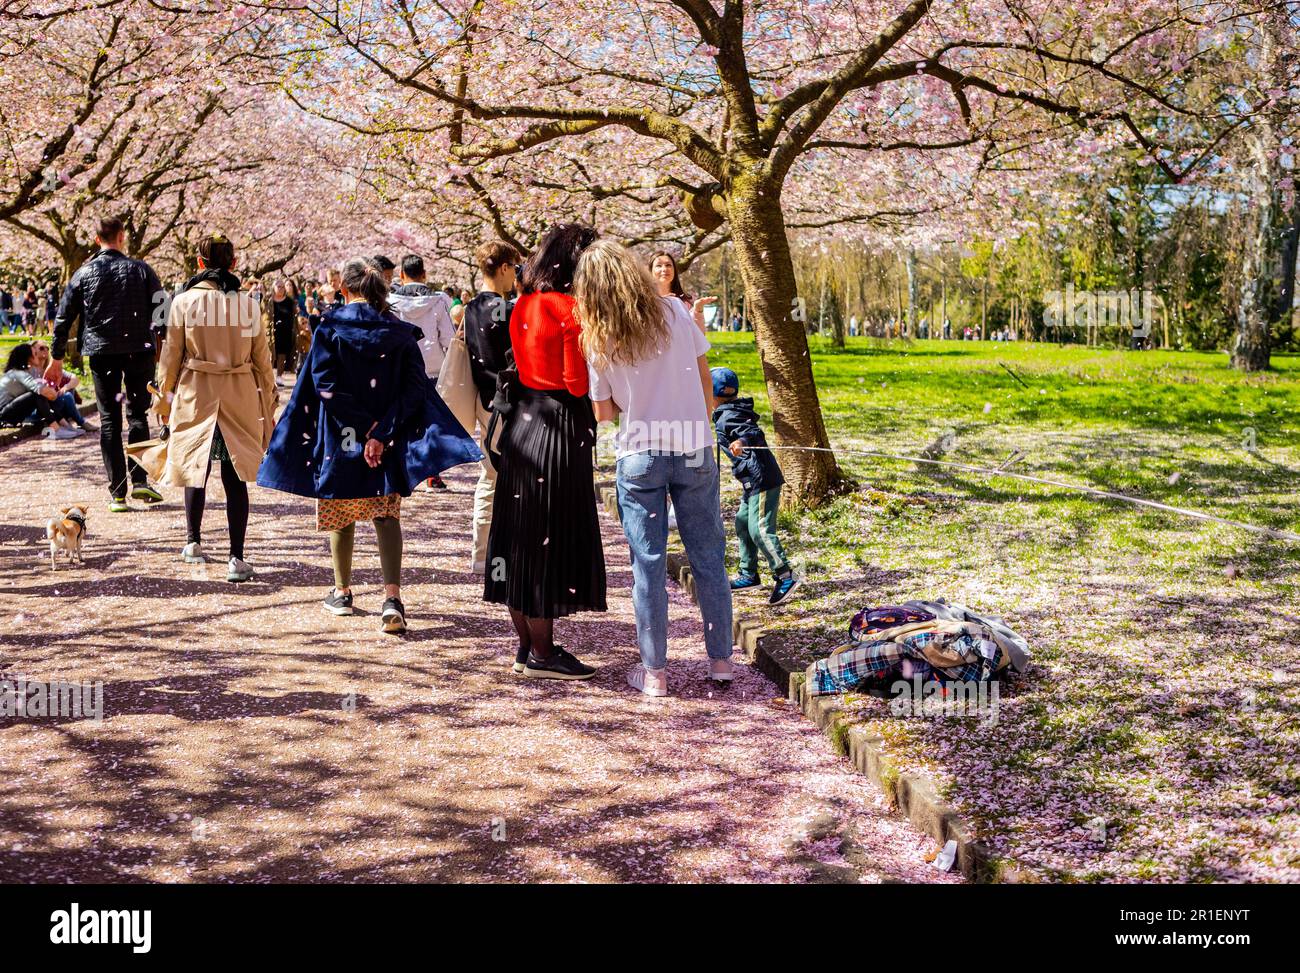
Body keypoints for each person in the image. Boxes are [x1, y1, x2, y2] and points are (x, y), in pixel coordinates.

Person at [258, 257, 480, 633]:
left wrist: (360, 427)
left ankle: (342, 591)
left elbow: (324, 385)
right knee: (386, 511)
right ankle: (392, 597)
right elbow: (414, 389)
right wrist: (381, 432)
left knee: (340, 509)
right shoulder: (398, 332)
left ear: (343, 289)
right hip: (388, 436)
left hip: (339, 436)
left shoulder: (330, 329)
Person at [580, 241, 734, 697]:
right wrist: (696, 418)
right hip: (693, 446)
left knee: (647, 564)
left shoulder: (599, 334)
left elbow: (603, 413)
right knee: (708, 555)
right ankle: (721, 659)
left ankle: (655, 672)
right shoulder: (676, 311)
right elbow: (707, 378)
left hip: (641, 451)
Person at [483, 222, 605, 680]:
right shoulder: (570, 309)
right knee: (549, 535)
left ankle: (526, 646)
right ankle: (544, 653)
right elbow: (576, 382)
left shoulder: (522, 306)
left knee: (519, 534)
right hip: (559, 427)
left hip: (522, 426)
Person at [128, 233, 275, 582]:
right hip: (238, 394)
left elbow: (171, 355)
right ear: (234, 263)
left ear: (200, 263)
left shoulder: (183, 302)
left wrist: (163, 396)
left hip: (198, 393)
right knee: (235, 475)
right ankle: (236, 557)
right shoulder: (248, 305)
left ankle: (193, 541)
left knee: (196, 467)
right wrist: (268, 399)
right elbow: (262, 361)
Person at [45, 215, 166, 512]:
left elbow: (63, 319)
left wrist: (56, 358)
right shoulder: (142, 270)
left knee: (109, 420)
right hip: (139, 350)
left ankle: (118, 492)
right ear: (122, 237)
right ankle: (139, 480)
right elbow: (163, 313)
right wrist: (166, 352)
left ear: (97, 239)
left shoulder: (83, 274)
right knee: (138, 415)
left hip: (102, 352)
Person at [709, 367, 799, 606]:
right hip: (752, 479)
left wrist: (742, 441)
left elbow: (754, 433)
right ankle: (749, 574)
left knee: (759, 529)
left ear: (712, 394)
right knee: (742, 523)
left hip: (762, 480)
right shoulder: (729, 411)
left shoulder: (730, 416)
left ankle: (785, 576)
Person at [461, 240, 518, 573]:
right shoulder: (505, 310)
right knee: (504, 477)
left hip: (483, 398)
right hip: (506, 401)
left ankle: (482, 553)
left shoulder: (469, 309)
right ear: (504, 268)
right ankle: (503, 553)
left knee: (489, 477)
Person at [388, 254, 457, 490]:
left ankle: (402, 469)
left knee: (403, 417)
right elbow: (448, 338)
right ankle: (432, 474)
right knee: (431, 420)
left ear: (402, 275)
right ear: (425, 275)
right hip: (433, 367)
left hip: (403, 367)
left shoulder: (391, 302)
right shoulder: (438, 302)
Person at [0, 344, 76, 438]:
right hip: (4, 415)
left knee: (40, 393)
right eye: (35, 354)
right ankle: (56, 430)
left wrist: (50, 393)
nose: (37, 356)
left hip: (13, 412)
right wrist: (51, 393)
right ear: (28, 358)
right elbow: (45, 392)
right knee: (37, 394)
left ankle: (67, 426)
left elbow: (48, 393)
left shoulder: (27, 371)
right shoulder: (19, 373)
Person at [28, 340, 88, 433]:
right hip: (38, 409)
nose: (45, 350)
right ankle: (80, 423)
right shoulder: (30, 370)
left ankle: (72, 425)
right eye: (41, 348)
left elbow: (75, 378)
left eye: (47, 348)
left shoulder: (50, 368)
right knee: (67, 396)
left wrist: (66, 387)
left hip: (53, 405)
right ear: (32, 351)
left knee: (69, 390)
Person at [647, 251, 714, 333]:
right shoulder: (645, 301)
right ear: (650, 271)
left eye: (668, 265)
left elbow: (699, 336)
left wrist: (698, 311)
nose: (664, 269)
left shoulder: (686, 302)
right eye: (658, 266)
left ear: (674, 270)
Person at [265, 279, 299, 382]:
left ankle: (279, 375)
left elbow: (294, 316)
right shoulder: (268, 300)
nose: (281, 289)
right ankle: (269, 376)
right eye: (278, 287)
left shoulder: (289, 301)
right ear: (273, 288)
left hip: (285, 332)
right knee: (270, 353)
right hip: (271, 331)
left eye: (282, 287)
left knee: (282, 354)